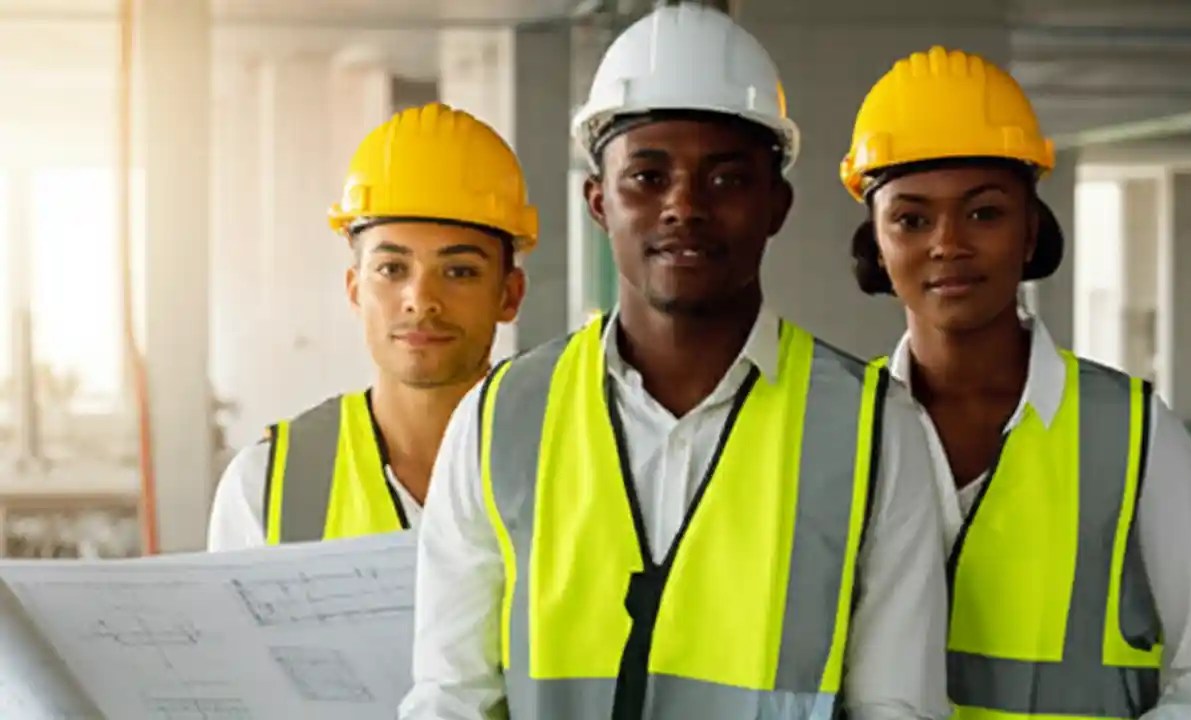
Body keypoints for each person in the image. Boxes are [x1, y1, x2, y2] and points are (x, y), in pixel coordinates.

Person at [399, 4, 951, 719]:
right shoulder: (501, 418)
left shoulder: (876, 429)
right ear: (598, 201)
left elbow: (896, 708)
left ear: (776, 204)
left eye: (724, 180)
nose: (683, 207)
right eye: (647, 177)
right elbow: (451, 698)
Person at [841, 45, 1191, 718]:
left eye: (983, 212)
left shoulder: (1132, 431)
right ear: (878, 246)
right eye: (911, 219)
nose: (948, 243)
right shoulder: (835, 429)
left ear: (1031, 231)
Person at [206, 102, 534, 550]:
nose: (421, 300)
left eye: (459, 271)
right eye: (392, 269)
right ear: (355, 289)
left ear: (509, 295)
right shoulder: (268, 488)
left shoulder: (571, 467)